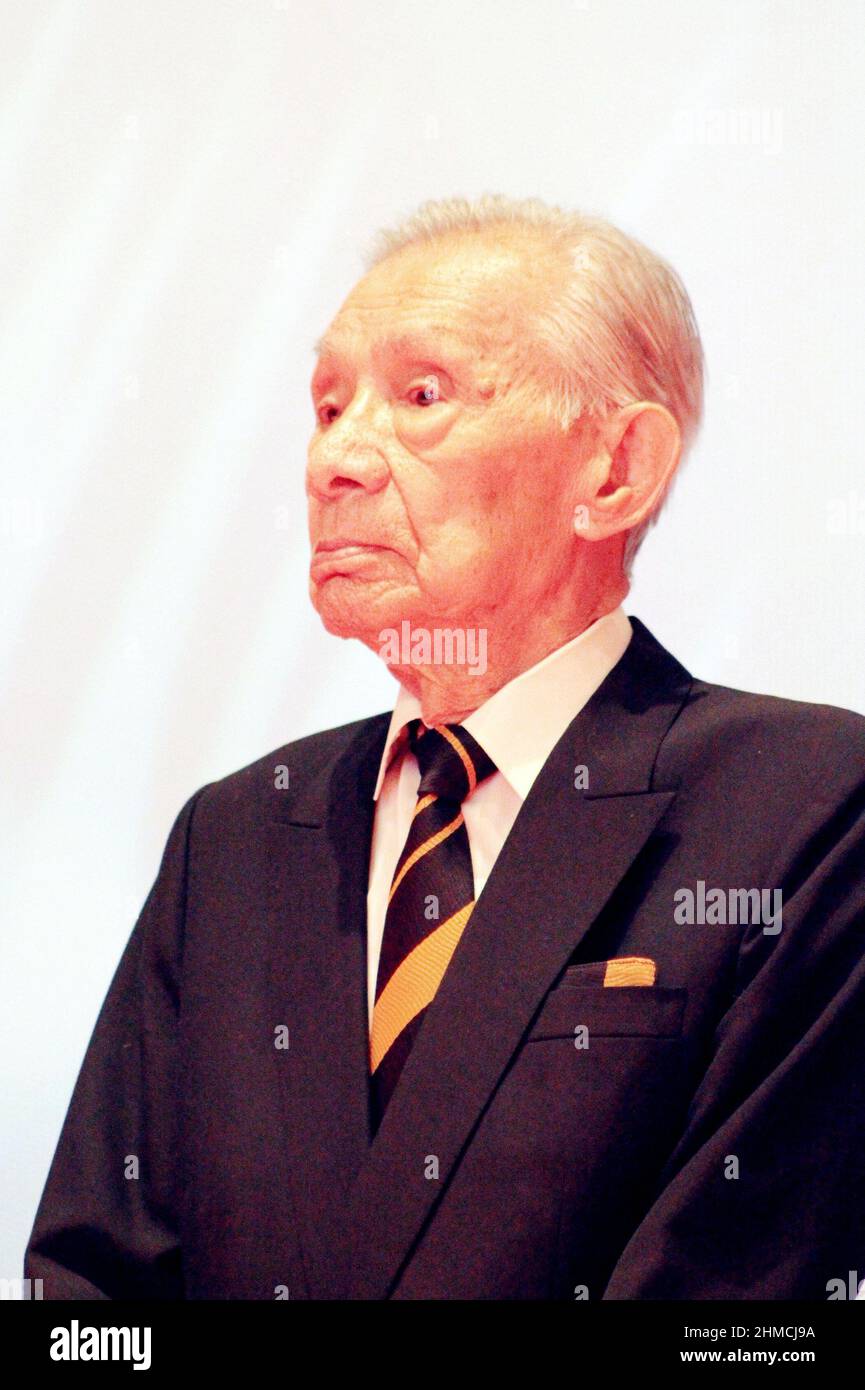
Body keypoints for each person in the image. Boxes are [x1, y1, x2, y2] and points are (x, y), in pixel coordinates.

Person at [25, 195, 865, 1300]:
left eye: (421, 396)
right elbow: (93, 1284)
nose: (335, 459)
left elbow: (741, 1305)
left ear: (615, 469)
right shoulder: (233, 833)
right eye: (327, 406)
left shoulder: (803, 808)